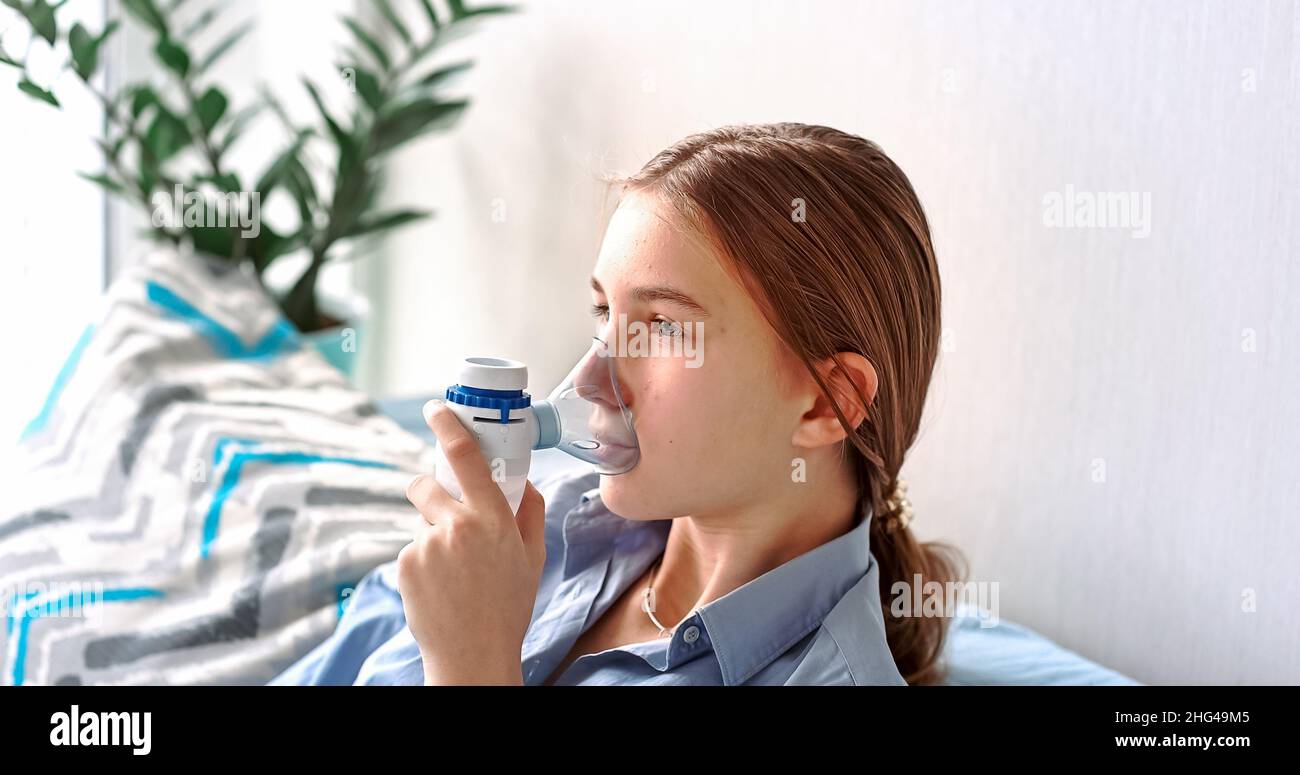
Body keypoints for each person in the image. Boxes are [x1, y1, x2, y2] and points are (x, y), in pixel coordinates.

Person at [268, 122, 964, 686]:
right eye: (605, 312)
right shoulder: (546, 518)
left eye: (662, 326)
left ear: (824, 402)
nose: (591, 376)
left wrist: (469, 666)